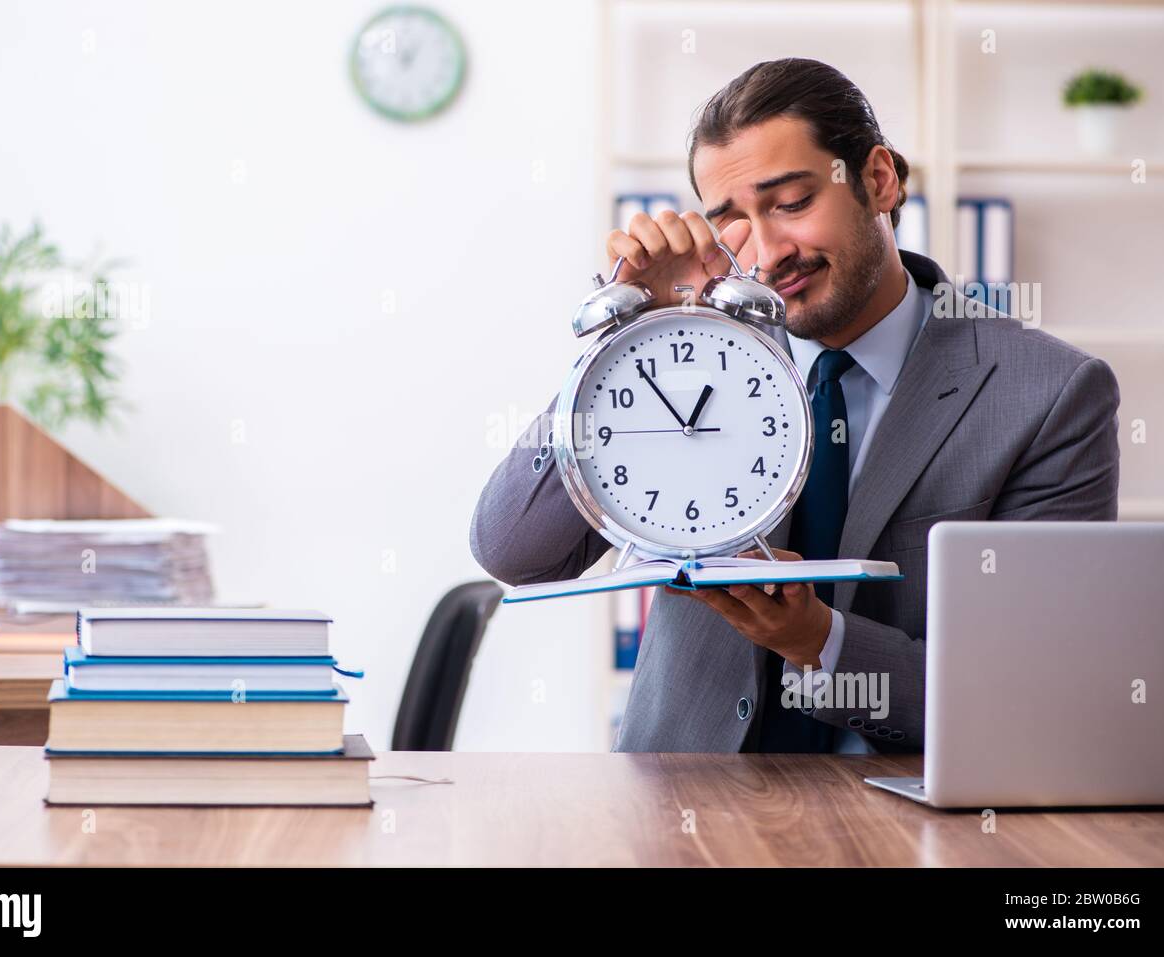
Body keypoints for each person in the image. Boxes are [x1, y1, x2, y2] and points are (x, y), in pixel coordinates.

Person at [470, 58, 1120, 753]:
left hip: (908, 824)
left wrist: (821, 641)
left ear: (877, 180)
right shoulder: (684, 357)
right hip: (682, 817)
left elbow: (1033, 695)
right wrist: (631, 340)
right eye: (733, 223)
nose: (770, 251)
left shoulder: (1050, 394)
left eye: (790, 203)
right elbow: (517, 552)